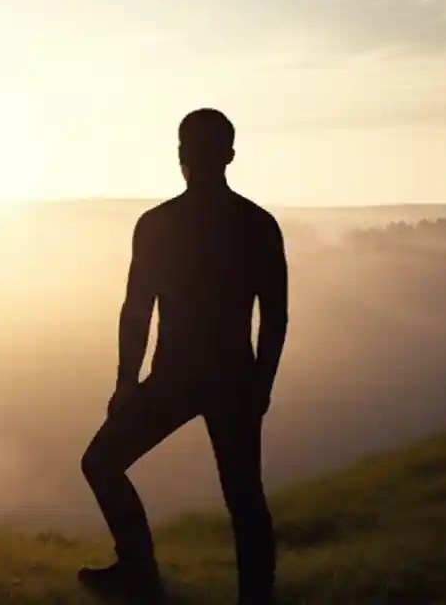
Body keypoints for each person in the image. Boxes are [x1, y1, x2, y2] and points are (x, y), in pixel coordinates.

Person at [79, 108, 289, 604]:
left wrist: (126, 382)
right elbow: (275, 317)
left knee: (101, 462)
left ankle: (138, 571)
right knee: (245, 498)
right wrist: (262, 384)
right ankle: (255, 597)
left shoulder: (157, 224)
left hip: (174, 375)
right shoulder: (258, 224)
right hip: (235, 377)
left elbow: (137, 310)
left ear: (180, 156)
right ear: (230, 156)